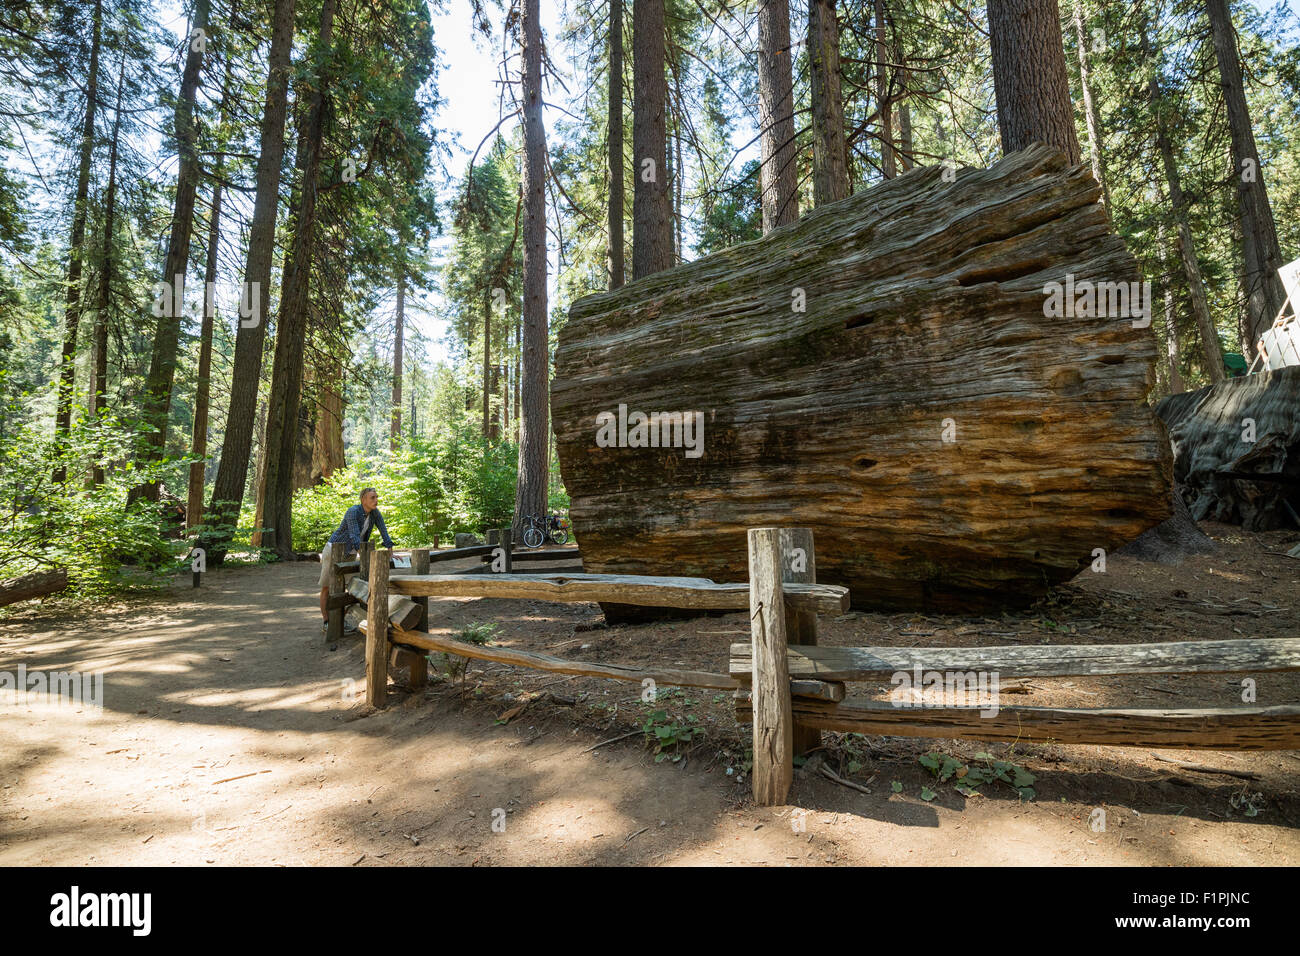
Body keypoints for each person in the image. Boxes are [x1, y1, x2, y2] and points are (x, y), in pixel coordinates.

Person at [318, 487, 394, 632]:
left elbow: (383, 530)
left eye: (376, 497)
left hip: (351, 552)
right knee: (327, 587)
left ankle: (342, 620)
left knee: (353, 586)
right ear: (363, 500)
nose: (376, 500)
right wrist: (364, 554)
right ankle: (326, 622)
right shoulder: (353, 511)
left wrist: (390, 550)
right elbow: (354, 535)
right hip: (334, 550)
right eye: (372, 497)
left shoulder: (374, 514)